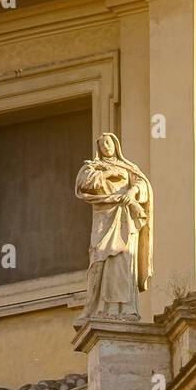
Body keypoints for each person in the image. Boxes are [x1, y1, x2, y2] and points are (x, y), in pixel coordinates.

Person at [74, 132, 152, 325]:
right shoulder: (93, 167)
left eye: (108, 143)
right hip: (104, 219)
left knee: (122, 261)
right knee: (99, 258)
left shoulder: (128, 168)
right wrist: (108, 173)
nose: (106, 146)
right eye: (102, 145)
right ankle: (96, 307)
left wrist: (132, 191)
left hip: (124, 220)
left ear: (115, 145)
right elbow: (84, 184)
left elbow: (142, 184)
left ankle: (124, 309)